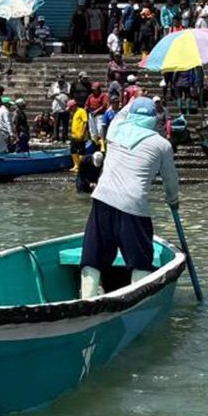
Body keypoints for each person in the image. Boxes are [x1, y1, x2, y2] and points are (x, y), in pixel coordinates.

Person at [78, 98, 179, 298]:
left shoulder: (115, 130)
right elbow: (170, 179)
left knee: (93, 256)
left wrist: (133, 99)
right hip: (133, 206)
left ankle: (87, 300)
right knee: (140, 260)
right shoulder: (162, 144)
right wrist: (173, 200)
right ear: (153, 120)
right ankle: (137, 302)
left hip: (102, 200)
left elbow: (122, 113)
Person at [68, 99, 90, 171]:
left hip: (81, 136)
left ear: (74, 106)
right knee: (73, 150)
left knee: (81, 151)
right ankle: (76, 165)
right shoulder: (74, 113)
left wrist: (82, 133)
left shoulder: (82, 111)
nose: (70, 110)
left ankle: (81, 166)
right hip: (74, 136)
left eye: (70, 108)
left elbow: (85, 122)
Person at [50, 75, 71, 142]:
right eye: (59, 80)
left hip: (65, 107)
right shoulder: (54, 85)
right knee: (56, 124)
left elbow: (71, 95)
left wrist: (65, 93)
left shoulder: (68, 85)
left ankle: (65, 138)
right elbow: (49, 95)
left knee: (65, 124)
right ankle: (56, 138)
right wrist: (54, 95)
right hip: (56, 107)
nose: (60, 82)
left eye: (61, 80)